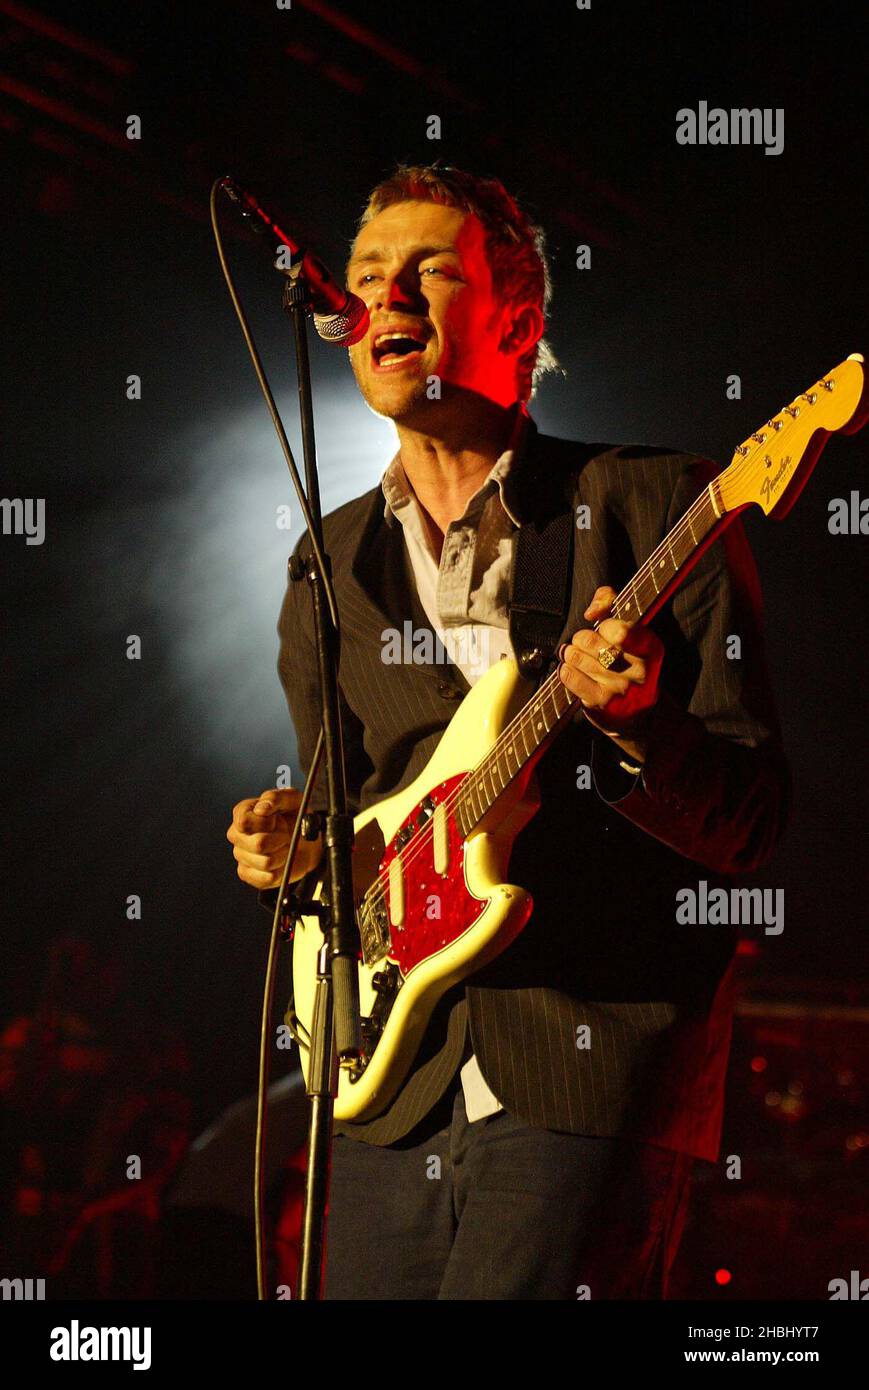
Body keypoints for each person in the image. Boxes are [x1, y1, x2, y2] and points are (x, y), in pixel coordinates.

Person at [226, 164, 790, 1300]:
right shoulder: (325, 565)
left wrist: (639, 728)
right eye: (366, 277)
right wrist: (302, 850)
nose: (382, 299)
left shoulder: (650, 503)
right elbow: (358, 814)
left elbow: (751, 820)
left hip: (589, 1069)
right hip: (389, 1084)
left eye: (425, 273)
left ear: (518, 319)